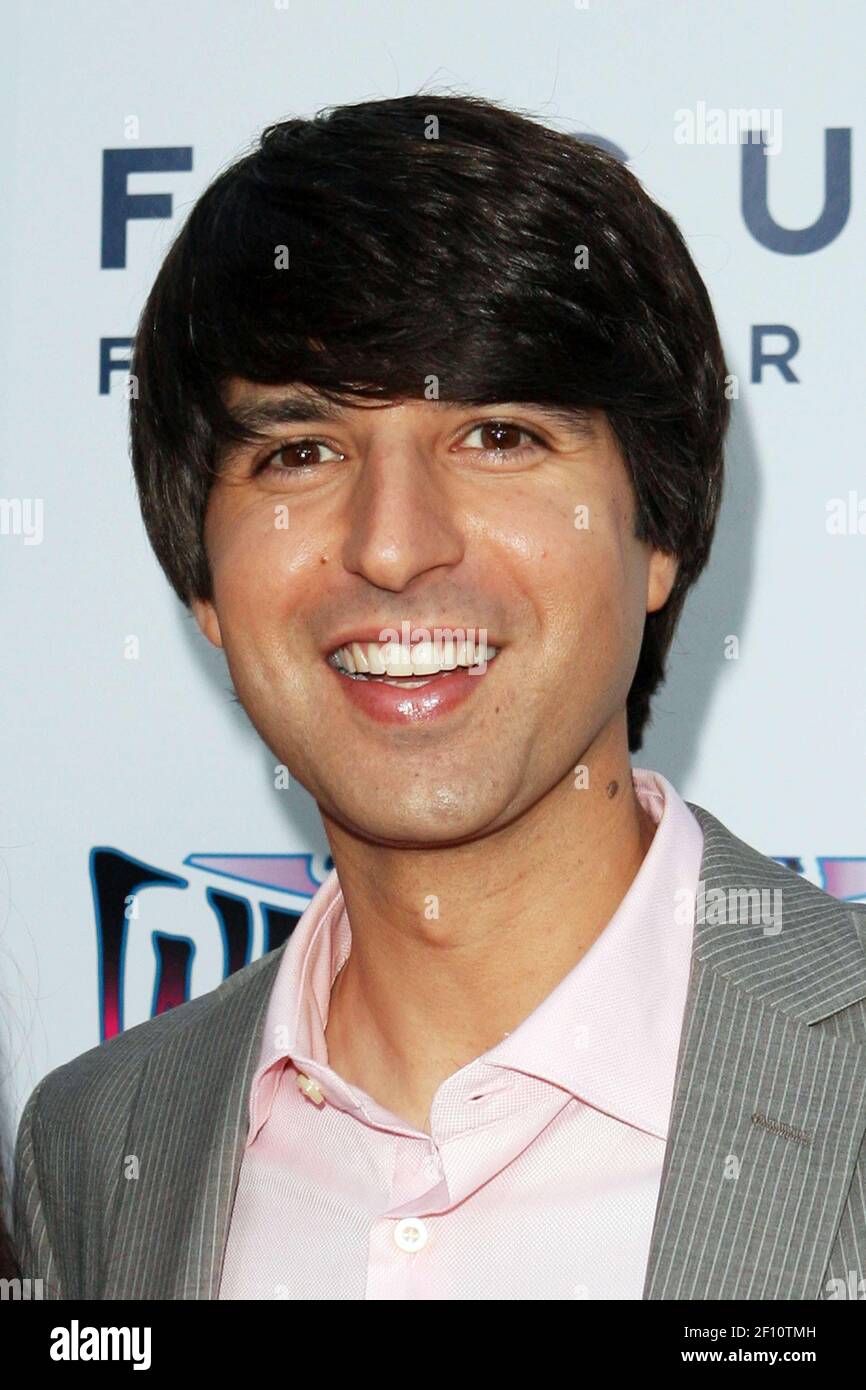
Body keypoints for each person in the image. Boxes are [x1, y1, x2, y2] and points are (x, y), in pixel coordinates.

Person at [13, 93, 866, 1301]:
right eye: (299, 452)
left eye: (497, 436)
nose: (394, 546)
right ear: (202, 580)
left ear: (659, 529)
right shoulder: (94, 1149)